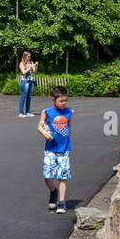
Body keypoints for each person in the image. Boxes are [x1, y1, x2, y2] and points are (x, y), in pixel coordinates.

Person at [39, 85, 73, 214]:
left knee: (62, 176)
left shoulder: (70, 112)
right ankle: (53, 191)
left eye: (66, 100)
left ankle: (61, 202)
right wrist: (45, 133)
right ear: (53, 99)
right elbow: (40, 126)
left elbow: (69, 129)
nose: (64, 103)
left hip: (64, 150)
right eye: (61, 101)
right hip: (50, 149)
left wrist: (66, 143)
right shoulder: (46, 111)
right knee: (47, 176)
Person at [18, 52, 38, 118]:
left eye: (30, 56)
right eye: (28, 56)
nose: (29, 58)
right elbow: (23, 72)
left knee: (29, 97)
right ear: (25, 56)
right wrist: (30, 67)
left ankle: (28, 112)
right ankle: (21, 112)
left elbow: (34, 71)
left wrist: (35, 66)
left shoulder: (31, 62)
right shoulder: (21, 63)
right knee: (23, 96)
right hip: (24, 81)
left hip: (30, 81)